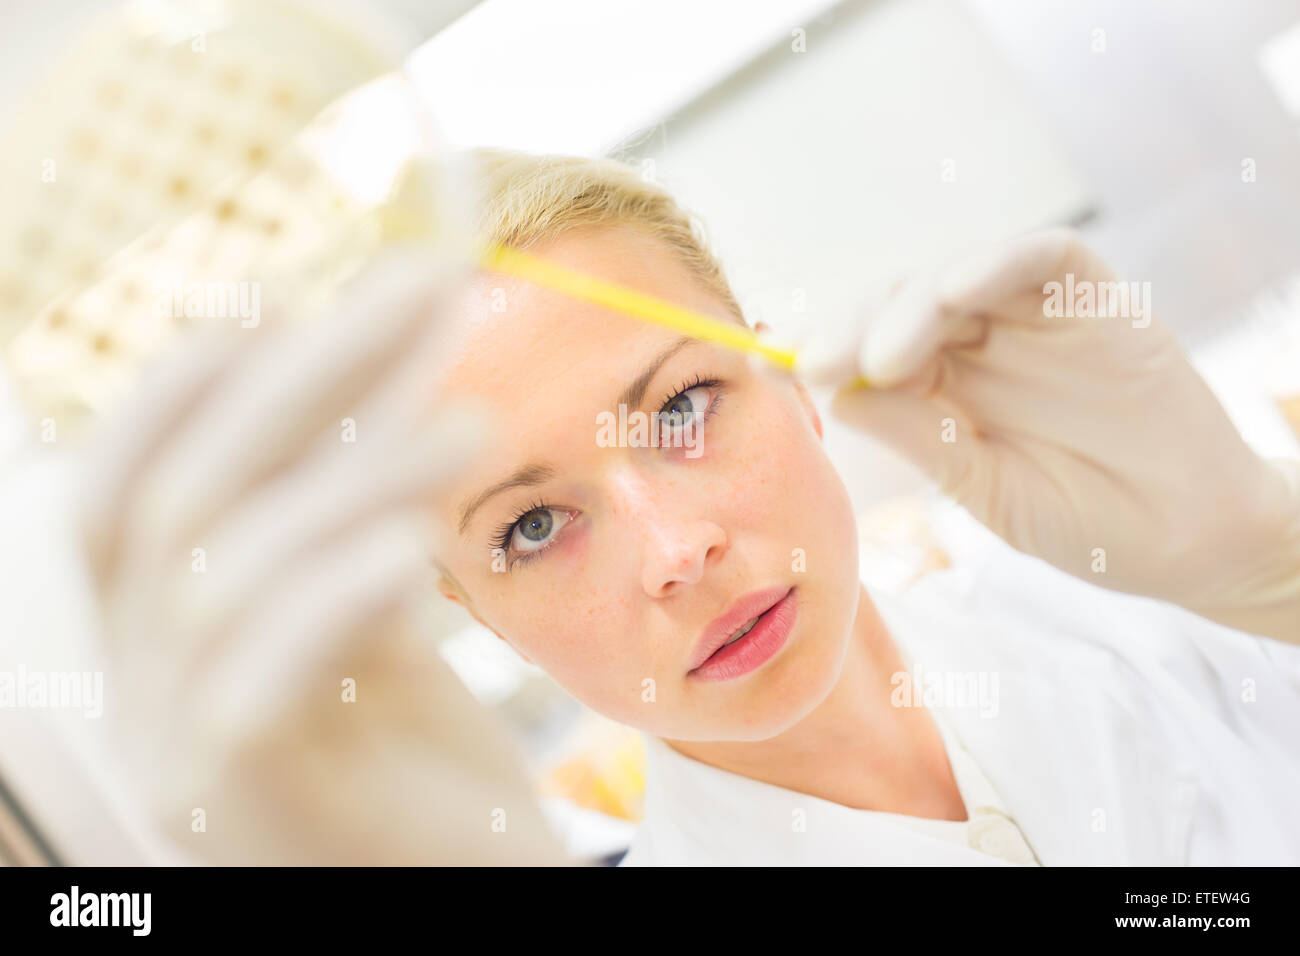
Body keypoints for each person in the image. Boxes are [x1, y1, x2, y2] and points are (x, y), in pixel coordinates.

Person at [426, 148, 1300, 866]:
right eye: (532, 527)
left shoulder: (1151, 611)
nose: (677, 551)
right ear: (480, 615)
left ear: (789, 385)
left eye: (682, 408)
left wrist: (1276, 561)